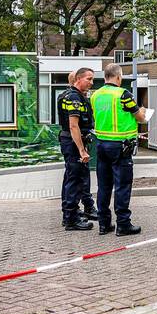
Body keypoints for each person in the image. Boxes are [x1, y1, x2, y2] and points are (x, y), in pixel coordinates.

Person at [90, 63, 143, 237]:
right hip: (120, 146)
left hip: (101, 145)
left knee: (104, 186)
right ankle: (123, 225)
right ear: (118, 77)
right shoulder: (123, 94)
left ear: (105, 76)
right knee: (122, 186)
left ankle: (104, 224)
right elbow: (140, 117)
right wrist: (142, 112)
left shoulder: (95, 95)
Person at [58, 67, 98, 231]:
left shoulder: (67, 95)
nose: (91, 82)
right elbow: (74, 126)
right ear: (78, 79)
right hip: (73, 141)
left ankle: (70, 213)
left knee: (71, 177)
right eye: (88, 79)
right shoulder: (74, 97)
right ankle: (71, 219)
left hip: (70, 140)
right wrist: (81, 150)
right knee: (74, 179)